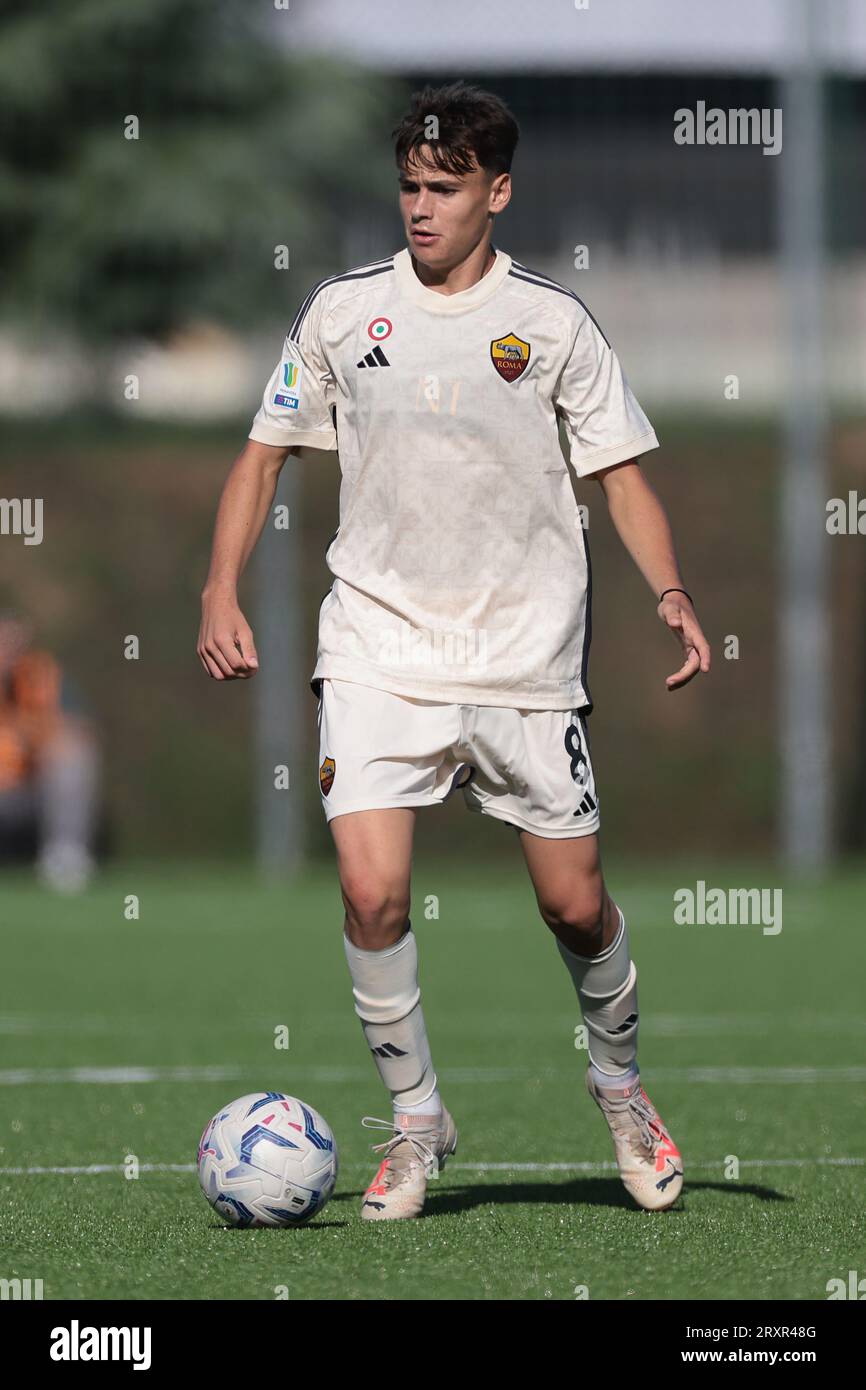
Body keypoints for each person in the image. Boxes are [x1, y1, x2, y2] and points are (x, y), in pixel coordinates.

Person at [198, 82, 710, 1220]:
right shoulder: (341, 312)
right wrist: (218, 585)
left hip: (524, 657)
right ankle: (417, 1121)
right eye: (408, 187)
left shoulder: (556, 323)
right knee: (371, 891)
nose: (419, 208)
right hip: (376, 645)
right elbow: (263, 453)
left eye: (443, 189)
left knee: (574, 906)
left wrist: (669, 591)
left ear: (498, 191)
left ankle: (621, 1091)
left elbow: (618, 478)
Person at [0, 615, 99, 892]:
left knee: (72, 752)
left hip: (27, 792)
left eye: (12, 646)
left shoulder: (40, 676)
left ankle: (65, 859)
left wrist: (30, 733)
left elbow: (79, 731)